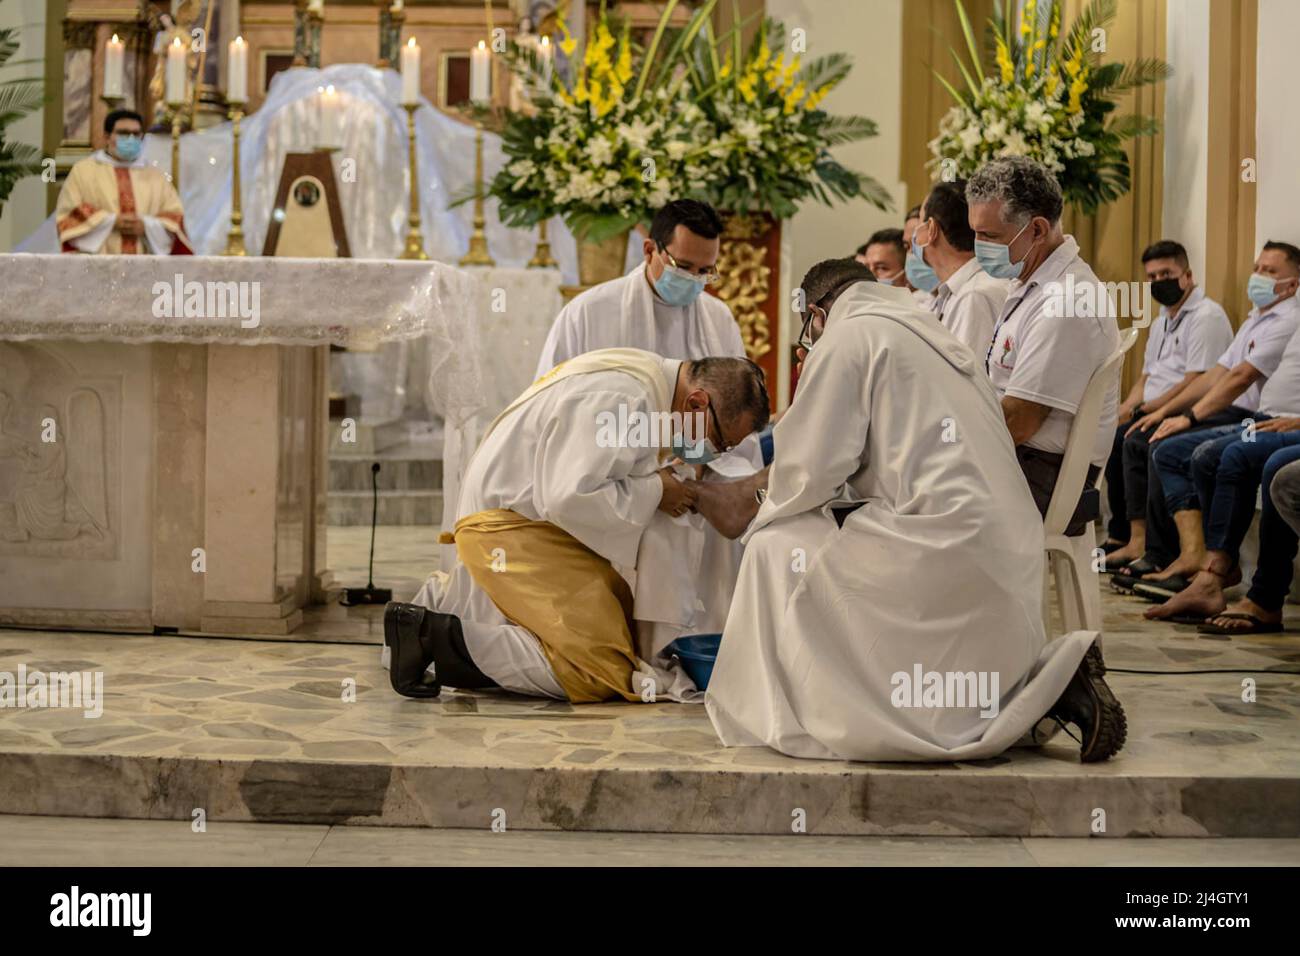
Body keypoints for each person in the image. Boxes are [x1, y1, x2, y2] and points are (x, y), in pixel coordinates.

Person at [705, 258, 1126, 763]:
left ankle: (811, 710)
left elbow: (809, 472)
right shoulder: (935, 334)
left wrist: (756, 507)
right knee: (832, 537)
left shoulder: (847, 337)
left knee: (775, 545)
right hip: (1012, 546)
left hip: (943, 548)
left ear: (816, 315)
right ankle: (1051, 682)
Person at [386, 348, 770, 702]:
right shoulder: (624, 398)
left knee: (615, 626)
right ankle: (431, 636)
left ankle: (436, 610)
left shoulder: (645, 382)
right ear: (697, 402)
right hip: (505, 527)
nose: (715, 453)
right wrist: (657, 490)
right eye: (720, 441)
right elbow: (567, 496)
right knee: (602, 669)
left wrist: (658, 484)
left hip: (520, 518)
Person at [1128, 242, 1300, 593]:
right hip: (1259, 417)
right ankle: (1191, 554)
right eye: (1258, 268)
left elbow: (1240, 378)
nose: (1258, 276)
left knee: (1207, 452)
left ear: (1293, 284)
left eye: (1270, 271)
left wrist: (1188, 418)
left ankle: (1216, 565)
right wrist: (1172, 414)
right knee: (1166, 448)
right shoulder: (1256, 318)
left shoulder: (1288, 319)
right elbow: (1218, 373)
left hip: (1252, 415)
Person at [967, 156, 1120, 534]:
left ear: (1036, 229)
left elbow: (1018, 421)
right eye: (975, 233)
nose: (978, 246)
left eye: (989, 236)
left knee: (907, 503)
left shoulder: (1067, 301)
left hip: (1043, 476)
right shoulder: (1030, 281)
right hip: (1017, 459)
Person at [1102, 241, 1234, 569]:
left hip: (1192, 408)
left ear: (1187, 275)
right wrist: (1126, 408)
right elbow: (1147, 377)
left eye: (1166, 274)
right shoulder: (1161, 319)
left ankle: (1149, 544)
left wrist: (1149, 410)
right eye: (1152, 276)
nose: (1159, 281)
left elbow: (1197, 381)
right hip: (1156, 406)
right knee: (1112, 435)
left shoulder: (1207, 316)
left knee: (1137, 441)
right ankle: (1122, 535)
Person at [535, 199, 741, 374]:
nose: (693, 278)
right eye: (682, 266)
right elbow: (549, 395)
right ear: (649, 250)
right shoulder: (588, 312)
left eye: (704, 271)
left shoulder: (719, 317)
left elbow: (738, 394)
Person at [56, 109, 192, 255]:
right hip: (98, 262)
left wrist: (146, 226)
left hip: (144, 262)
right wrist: (111, 222)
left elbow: (174, 217)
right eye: (124, 133)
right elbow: (68, 213)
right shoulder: (83, 171)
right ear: (107, 137)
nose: (131, 139)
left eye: (136, 134)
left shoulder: (155, 176)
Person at [908, 179, 1007, 353]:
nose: (913, 237)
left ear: (931, 229)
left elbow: (968, 369)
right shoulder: (957, 290)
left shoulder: (974, 296)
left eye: (920, 223)